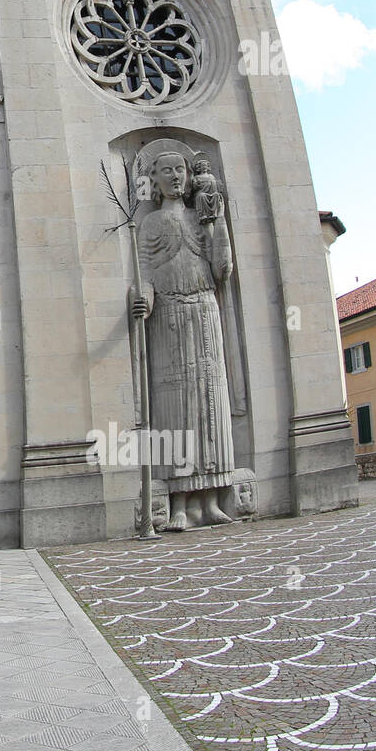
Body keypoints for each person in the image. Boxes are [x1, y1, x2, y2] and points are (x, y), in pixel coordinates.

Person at [130, 148, 235, 530]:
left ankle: (211, 499)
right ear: (152, 180)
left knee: (210, 401)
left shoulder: (199, 217)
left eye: (181, 170)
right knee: (176, 405)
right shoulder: (150, 224)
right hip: (169, 316)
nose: (175, 176)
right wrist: (143, 297)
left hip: (205, 309)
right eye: (166, 171)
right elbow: (144, 271)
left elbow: (222, 269)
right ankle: (179, 501)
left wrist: (217, 221)